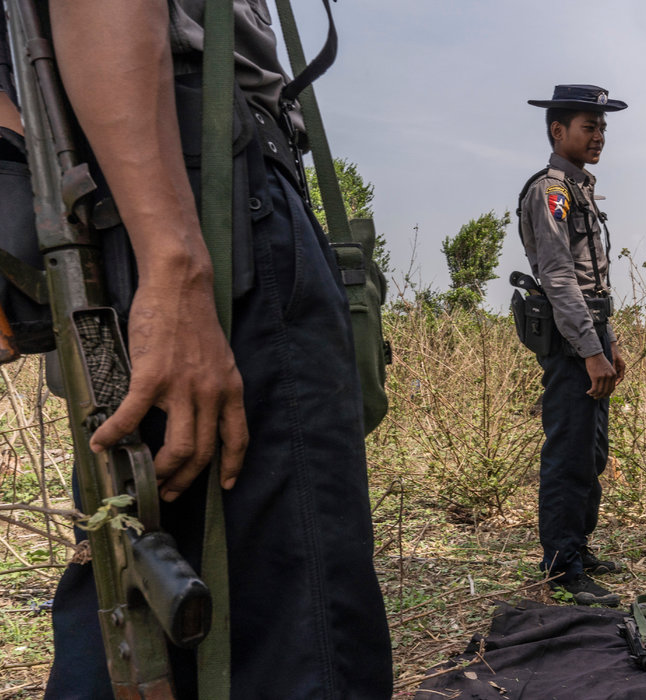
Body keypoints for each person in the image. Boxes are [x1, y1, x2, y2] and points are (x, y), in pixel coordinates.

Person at [40, 1, 393, 697]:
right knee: (299, 632)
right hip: (206, 200)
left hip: (157, 191)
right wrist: (175, 265)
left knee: (136, 593)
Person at [518, 84, 628, 607]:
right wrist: (589, 349)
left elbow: (595, 280)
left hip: (590, 335)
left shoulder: (580, 189)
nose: (599, 135)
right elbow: (560, 277)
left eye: (602, 127)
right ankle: (563, 568)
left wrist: (610, 341)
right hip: (569, 344)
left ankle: (578, 550)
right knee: (568, 454)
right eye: (590, 126)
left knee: (592, 450)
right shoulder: (550, 191)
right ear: (558, 131)